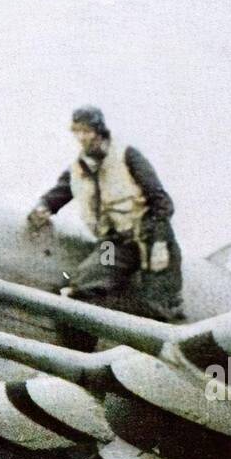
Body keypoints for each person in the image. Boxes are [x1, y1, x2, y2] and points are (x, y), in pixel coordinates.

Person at [27, 106, 184, 347]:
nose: (82, 137)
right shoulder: (79, 168)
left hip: (151, 236)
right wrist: (44, 206)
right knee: (79, 291)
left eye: (87, 130)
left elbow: (161, 202)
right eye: (77, 131)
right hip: (114, 244)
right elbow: (61, 191)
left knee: (160, 308)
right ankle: (81, 360)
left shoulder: (127, 156)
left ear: (99, 131)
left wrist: (161, 244)